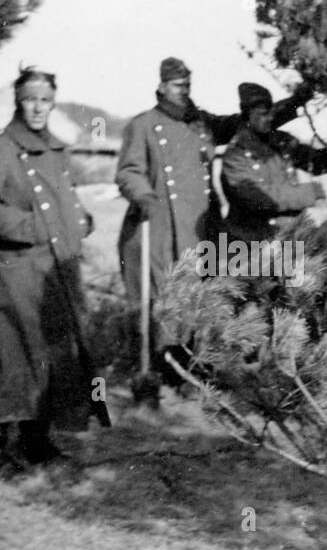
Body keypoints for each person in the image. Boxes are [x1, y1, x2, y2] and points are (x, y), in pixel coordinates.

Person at [0, 67, 104, 474]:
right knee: (9, 355)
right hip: (12, 268)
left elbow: (61, 199)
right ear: (18, 102)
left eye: (45, 100)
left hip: (52, 269)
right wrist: (30, 227)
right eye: (30, 100)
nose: (38, 108)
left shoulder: (55, 150)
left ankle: (37, 441)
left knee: (49, 354)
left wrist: (79, 220)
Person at [115, 58, 308, 367]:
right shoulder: (142, 125)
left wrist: (297, 101)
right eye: (178, 86)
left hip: (199, 225)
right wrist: (144, 196)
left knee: (200, 295)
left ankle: (191, 366)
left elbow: (243, 121)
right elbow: (128, 172)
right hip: (160, 224)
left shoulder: (200, 122)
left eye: (188, 85)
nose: (184, 91)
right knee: (161, 297)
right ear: (162, 86)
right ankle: (156, 368)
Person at [217, 81, 327, 246]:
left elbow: (317, 163)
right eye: (263, 114)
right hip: (248, 244)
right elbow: (263, 199)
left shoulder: (280, 141)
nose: (271, 117)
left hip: (287, 238)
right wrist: (312, 192)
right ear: (247, 115)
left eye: (271, 112)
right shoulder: (234, 157)